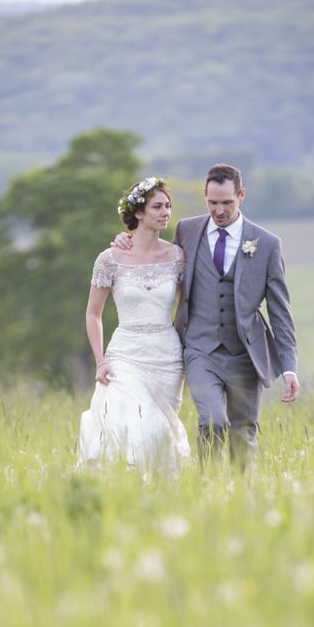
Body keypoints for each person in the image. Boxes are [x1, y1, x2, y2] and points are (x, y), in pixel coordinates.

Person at [113, 163, 299, 468]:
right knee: (212, 421)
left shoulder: (267, 244)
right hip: (200, 349)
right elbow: (158, 265)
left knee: (243, 431)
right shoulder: (187, 230)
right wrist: (126, 242)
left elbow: (280, 311)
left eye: (227, 202)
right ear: (204, 196)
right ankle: (209, 484)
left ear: (241, 195)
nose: (219, 210)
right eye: (212, 202)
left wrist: (289, 367)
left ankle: (240, 497)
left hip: (246, 353)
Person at [77, 176, 191, 475]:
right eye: (157, 207)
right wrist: (100, 361)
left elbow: (188, 305)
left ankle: (156, 493)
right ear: (138, 213)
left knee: (159, 433)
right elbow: (93, 314)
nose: (165, 212)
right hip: (125, 354)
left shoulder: (177, 257)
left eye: (167, 206)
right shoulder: (110, 259)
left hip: (166, 357)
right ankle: (117, 484)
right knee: (135, 423)